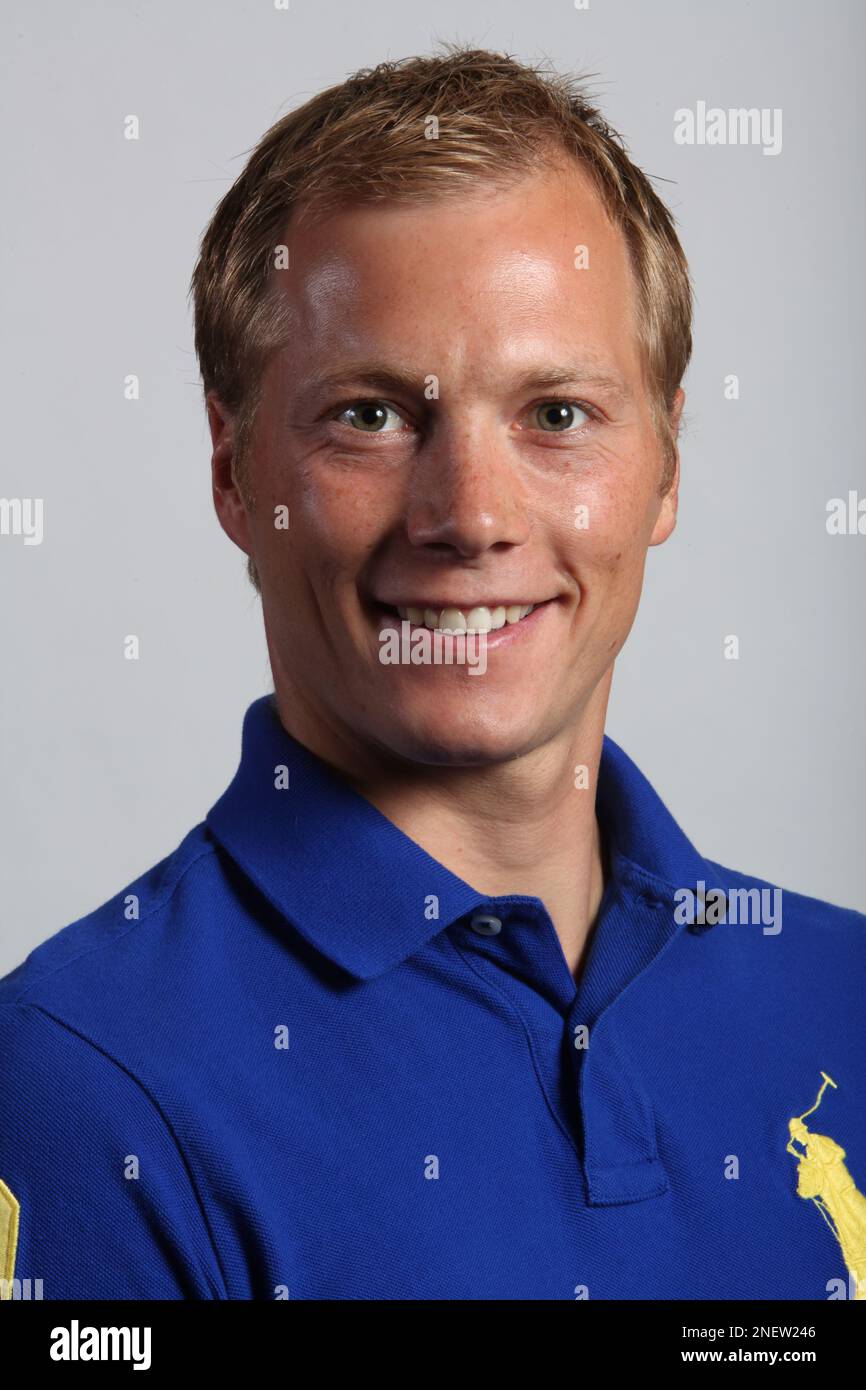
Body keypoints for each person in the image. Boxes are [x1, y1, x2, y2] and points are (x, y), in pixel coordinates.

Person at [1, 45, 864, 1302]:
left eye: (556, 414)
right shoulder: (78, 1087)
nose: (470, 516)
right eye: (369, 415)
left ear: (666, 465)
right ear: (235, 473)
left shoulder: (838, 992)